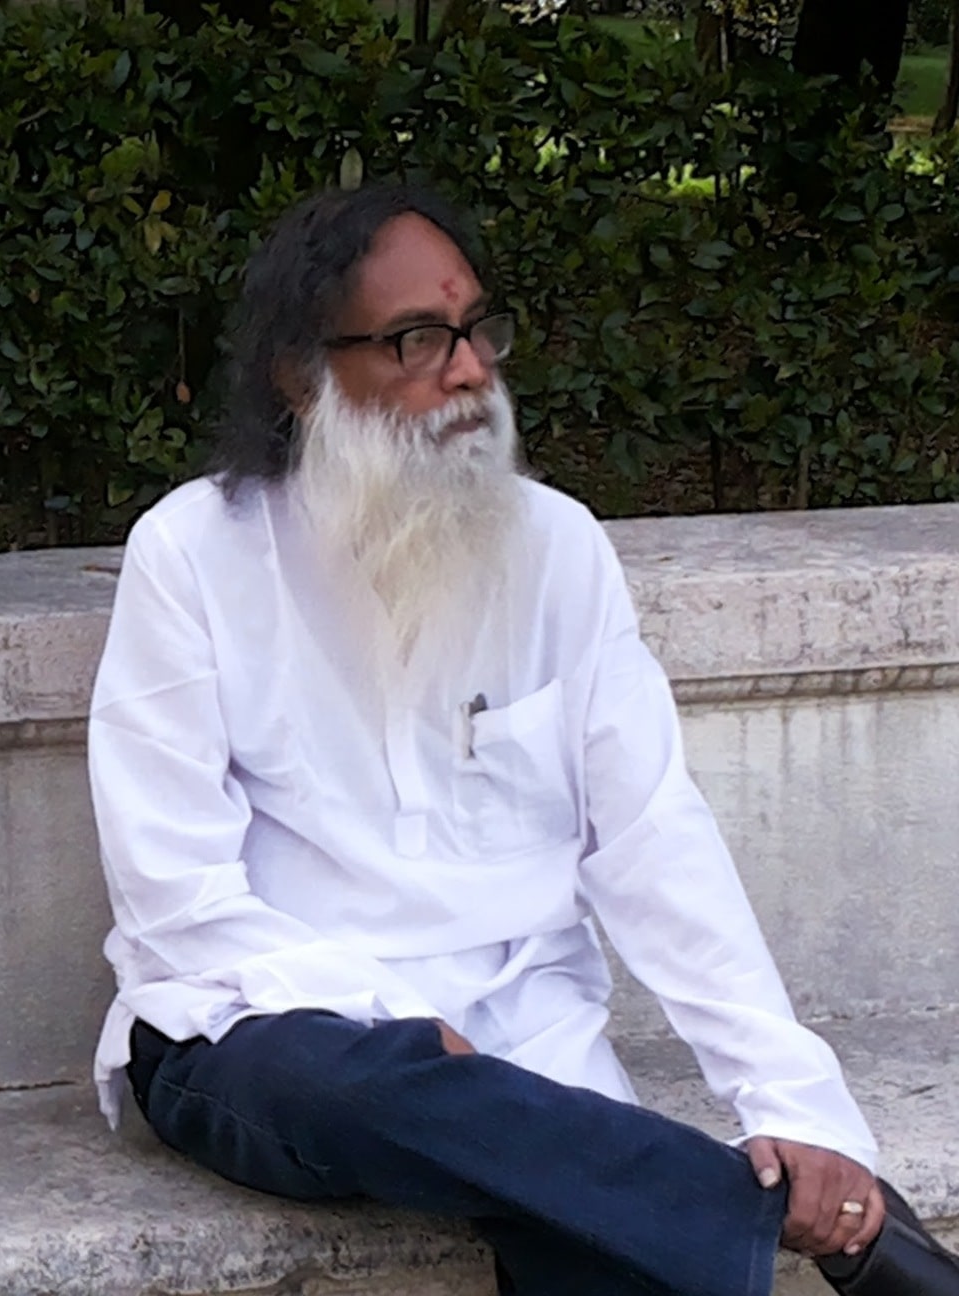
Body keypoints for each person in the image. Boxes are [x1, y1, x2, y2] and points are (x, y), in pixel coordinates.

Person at [86, 181, 959, 1296]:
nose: (467, 370)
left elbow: (651, 837)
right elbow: (178, 904)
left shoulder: (559, 549)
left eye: (475, 330)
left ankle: (689, 1207)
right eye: (416, 340)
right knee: (378, 1085)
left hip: (521, 1040)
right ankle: (814, 1239)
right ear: (304, 378)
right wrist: (404, 1025)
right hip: (266, 1028)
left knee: (577, 1202)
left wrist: (790, 1100)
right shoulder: (192, 555)